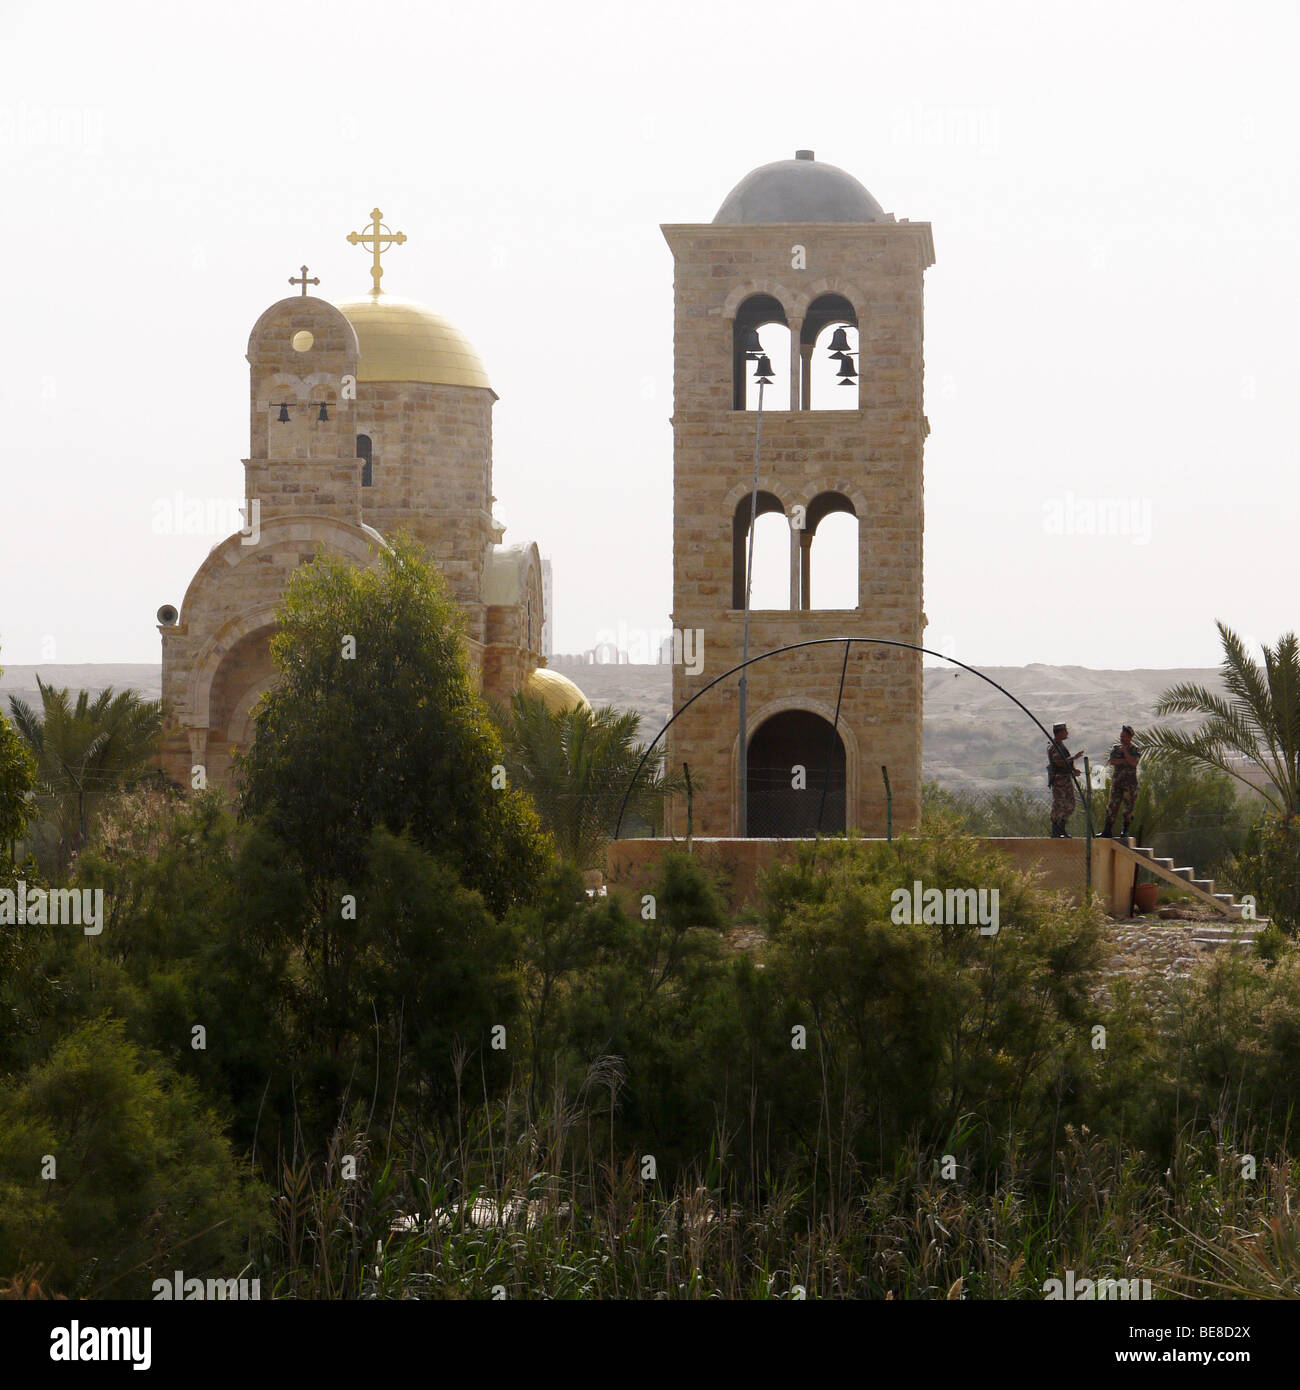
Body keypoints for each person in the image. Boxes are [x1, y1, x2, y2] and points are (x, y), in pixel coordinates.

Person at [1102, 724, 1141, 840]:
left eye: (1124, 736)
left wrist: (1125, 753)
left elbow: (1134, 762)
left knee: (1128, 807)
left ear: (1130, 737)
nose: (1122, 739)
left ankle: (1125, 831)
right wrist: (1125, 760)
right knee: (1112, 806)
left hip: (1130, 784)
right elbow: (1112, 761)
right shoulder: (1115, 748)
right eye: (1121, 736)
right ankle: (1107, 830)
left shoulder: (1135, 749)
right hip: (1117, 782)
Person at [1047, 722, 1084, 837]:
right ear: (1059, 733)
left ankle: (1062, 828)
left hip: (1066, 778)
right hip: (1059, 780)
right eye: (1065, 731)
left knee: (1070, 805)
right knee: (1059, 804)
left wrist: (1073, 770)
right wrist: (1074, 758)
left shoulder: (1061, 746)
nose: (1067, 733)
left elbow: (1066, 763)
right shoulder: (1054, 747)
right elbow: (1059, 762)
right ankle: (1056, 830)